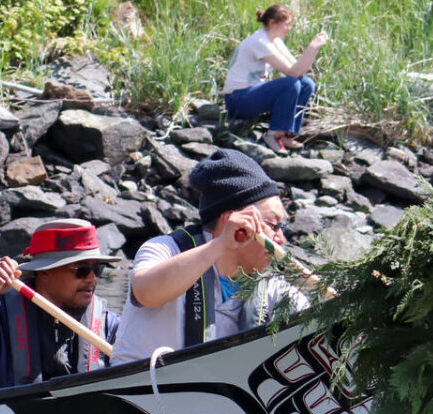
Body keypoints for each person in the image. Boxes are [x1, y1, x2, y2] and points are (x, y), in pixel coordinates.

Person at [113, 150, 313, 362]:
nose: (281, 239)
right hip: (143, 391)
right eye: (273, 225)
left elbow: (315, 328)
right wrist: (220, 245)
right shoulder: (165, 249)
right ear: (232, 220)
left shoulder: (271, 286)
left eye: (283, 227)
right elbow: (146, 293)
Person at [0, 220, 121, 395]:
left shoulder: (109, 325)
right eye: (81, 270)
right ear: (45, 272)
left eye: (97, 269)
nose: (92, 279)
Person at [222, 4, 328, 154]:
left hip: (252, 95)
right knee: (291, 84)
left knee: (307, 84)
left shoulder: (275, 41)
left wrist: (314, 49)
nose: (289, 28)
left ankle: (286, 132)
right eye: (287, 24)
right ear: (273, 23)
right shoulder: (259, 41)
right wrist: (311, 47)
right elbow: (293, 72)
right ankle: (273, 134)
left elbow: (299, 70)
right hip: (237, 99)